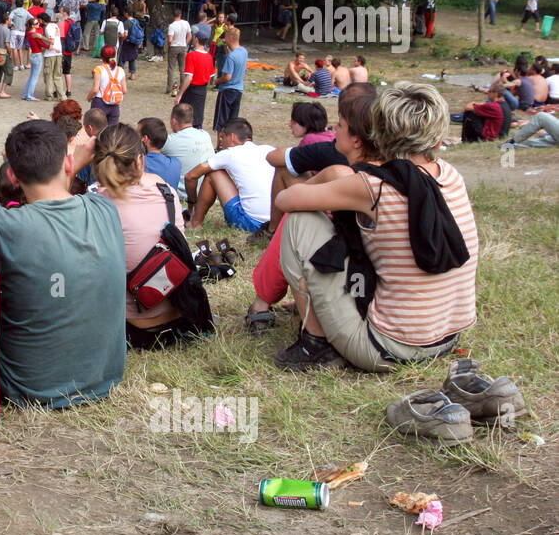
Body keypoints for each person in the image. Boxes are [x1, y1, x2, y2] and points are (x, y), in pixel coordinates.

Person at [273, 83, 478, 372]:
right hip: (448, 338)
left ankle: (315, 344)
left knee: (300, 221)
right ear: (437, 137)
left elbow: (286, 200)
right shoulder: (450, 175)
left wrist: (324, 177)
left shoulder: (375, 187)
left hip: (387, 349)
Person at [0, 119, 126, 406]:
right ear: (68, 165)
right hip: (103, 378)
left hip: (27, 386)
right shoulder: (104, 209)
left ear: (12, 176)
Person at [246, 84, 380, 332]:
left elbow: (284, 197)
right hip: (383, 289)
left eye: (339, 125)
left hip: (355, 284)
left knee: (297, 215)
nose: (333, 130)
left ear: (356, 139)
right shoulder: (405, 171)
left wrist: (316, 187)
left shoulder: (338, 165)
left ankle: (262, 304)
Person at [93, 123, 198, 349]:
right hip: (178, 314)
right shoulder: (166, 190)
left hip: (134, 327)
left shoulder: (97, 205)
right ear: (140, 159)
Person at [185, 117, 274, 233]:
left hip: (251, 223)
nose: (220, 143)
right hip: (275, 223)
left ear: (232, 137)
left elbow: (190, 176)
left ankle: (195, 222)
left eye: (222, 138)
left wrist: (192, 202)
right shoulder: (269, 150)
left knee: (213, 173)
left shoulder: (230, 153)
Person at [160, 103, 214, 204]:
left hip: (183, 193)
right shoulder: (205, 135)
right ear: (192, 121)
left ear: (174, 121)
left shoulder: (170, 141)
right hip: (206, 191)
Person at [175, 32, 214, 129]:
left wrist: (179, 95)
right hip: (202, 91)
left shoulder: (191, 55)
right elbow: (211, 77)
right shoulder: (209, 57)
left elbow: (189, 77)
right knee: (198, 117)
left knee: (186, 117)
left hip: (192, 90)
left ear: (196, 39)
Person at [212, 27, 246, 131]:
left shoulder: (231, 57)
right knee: (232, 121)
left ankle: (220, 145)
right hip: (238, 90)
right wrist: (226, 47)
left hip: (227, 90)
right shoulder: (244, 51)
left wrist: (217, 81)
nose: (224, 39)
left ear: (230, 38)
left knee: (221, 121)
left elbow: (227, 77)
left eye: (225, 37)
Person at [87, 45, 127, 125]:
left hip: (100, 102)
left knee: (97, 129)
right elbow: (124, 90)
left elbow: (95, 89)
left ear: (102, 56)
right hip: (115, 104)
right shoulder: (120, 70)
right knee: (111, 132)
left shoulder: (99, 69)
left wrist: (89, 97)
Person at [137, 117, 181, 190]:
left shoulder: (138, 164)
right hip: (171, 200)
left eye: (137, 134)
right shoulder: (176, 163)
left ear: (145, 139)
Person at [166, 8, 192, 95]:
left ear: (173, 16)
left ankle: (169, 87)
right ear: (180, 15)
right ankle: (182, 86)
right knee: (183, 68)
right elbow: (189, 35)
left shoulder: (172, 26)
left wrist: (170, 45)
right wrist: (186, 43)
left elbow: (170, 39)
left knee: (171, 68)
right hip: (183, 46)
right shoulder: (186, 23)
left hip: (174, 47)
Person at [41, 14, 66, 100]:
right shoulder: (55, 25)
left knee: (48, 75)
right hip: (58, 53)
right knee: (57, 75)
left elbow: (51, 41)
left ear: (43, 20)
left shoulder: (48, 28)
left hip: (50, 53)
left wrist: (41, 37)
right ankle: (62, 95)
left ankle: (49, 95)